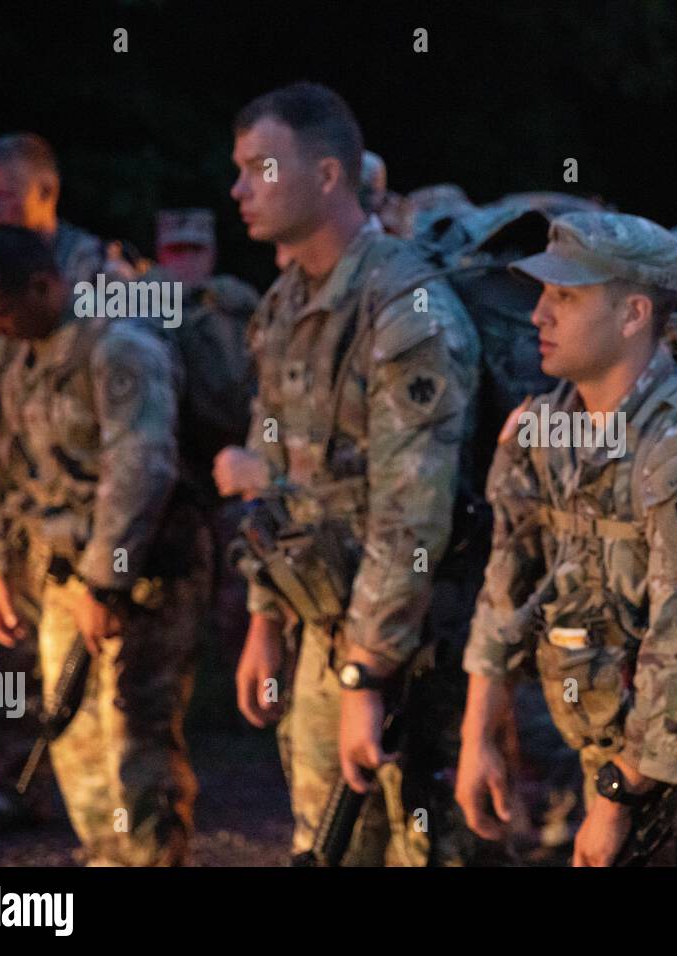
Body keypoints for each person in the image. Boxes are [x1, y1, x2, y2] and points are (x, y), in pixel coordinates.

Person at [455, 211, 677, 866]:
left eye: (566, 297)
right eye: (544, 295)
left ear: (634, 314)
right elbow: (505, 581)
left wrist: (615, 804)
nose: (538, 317)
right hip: (616, 763)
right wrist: (478, 736)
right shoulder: (544, 430)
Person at [222, 82, 479, 866]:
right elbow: (280, 481)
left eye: (259, 167)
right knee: (324, 844)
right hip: (322, 630)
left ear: (329, 175)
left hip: (413, 651)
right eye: (237, 170)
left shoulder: (405, 310)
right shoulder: (282, 308)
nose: (238, 190)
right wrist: (266, 620)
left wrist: (366, 675)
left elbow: (413, 517)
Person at [0, 225, 211, 865]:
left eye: (2, 311)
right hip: (61, 575)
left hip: (144, 576)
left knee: (136, 736)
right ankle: (106, 854)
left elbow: (142, 467)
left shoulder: (118, 345)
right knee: (71, 733)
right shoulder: (15, 356)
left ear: (44, 286)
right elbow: (1, 464)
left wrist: (106, 582)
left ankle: (152, 858)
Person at [0, 132, 120, 839]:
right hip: (2, 473)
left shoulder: (92, 271)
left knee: (93, 648)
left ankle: (108, 797)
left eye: (4, 196)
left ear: (46, 193)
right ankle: (13, 781)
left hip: (82, 492)